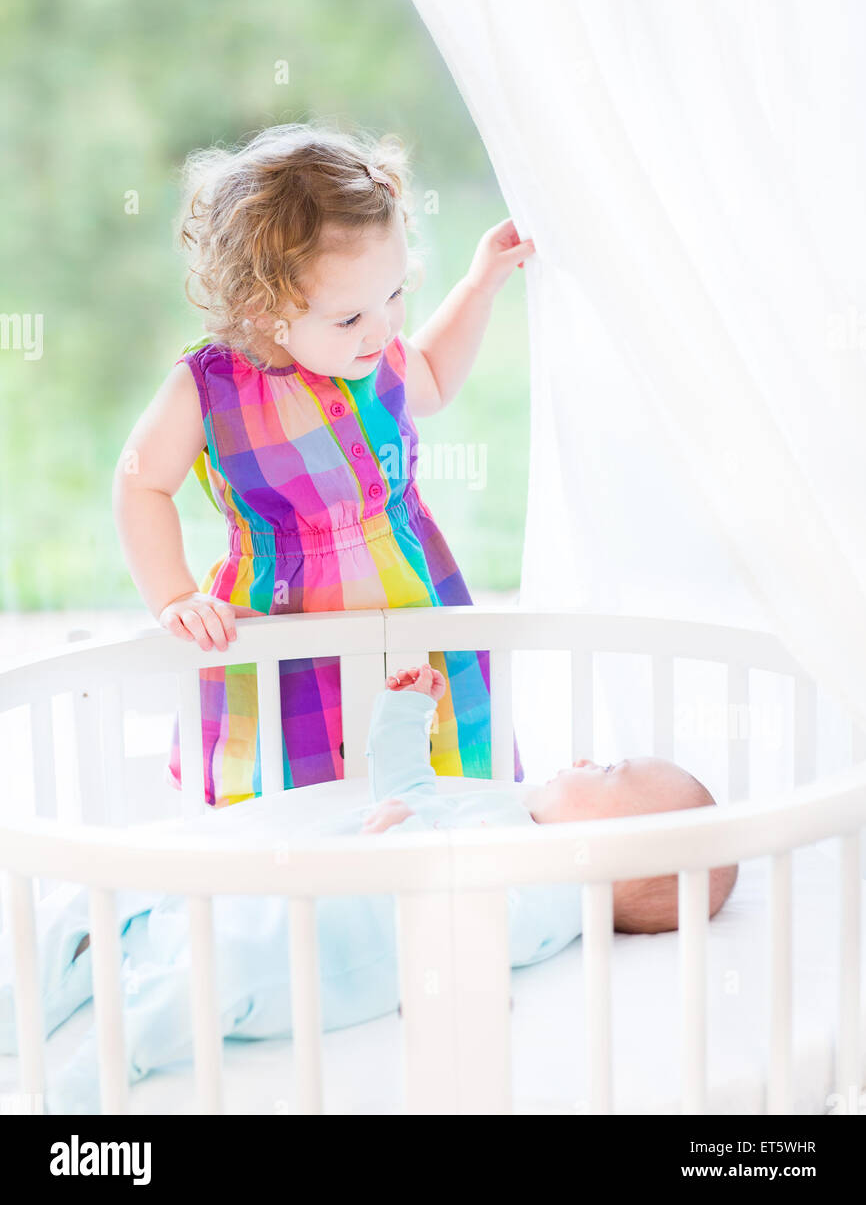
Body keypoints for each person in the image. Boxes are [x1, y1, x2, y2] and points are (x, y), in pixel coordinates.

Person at [0, 665, 737, 1113]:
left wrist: (409, 842)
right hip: (265, 897)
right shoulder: (503, 803)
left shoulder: (552, 893)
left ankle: (77, 1092)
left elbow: (467, 922)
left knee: (187, 990)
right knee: (104, 914)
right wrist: (408, 715)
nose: (582, 759)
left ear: (607, 852)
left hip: (299, 952)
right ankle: (19, 1009)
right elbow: (410, 786)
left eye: (605, 771)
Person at [112, 121, 534, 805]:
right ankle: (297, 890)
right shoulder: (210, 386)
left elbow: (432, 374)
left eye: (395, 294)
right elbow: (140, 483)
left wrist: (479, 287)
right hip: (283, 627)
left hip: (410, 609)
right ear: (262, 309)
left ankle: (432, 865)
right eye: (350, 318)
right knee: (293, 786)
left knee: (434, 776)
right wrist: (175, 595)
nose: (383, 326)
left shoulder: (379, 355)